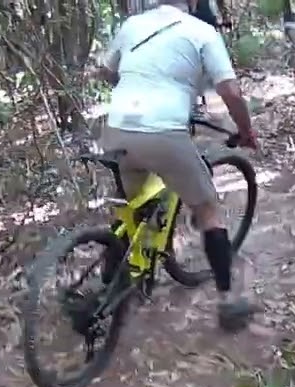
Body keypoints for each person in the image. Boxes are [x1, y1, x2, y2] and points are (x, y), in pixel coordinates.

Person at [99, 0, 258, 332]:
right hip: (163, 132)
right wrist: (245, 130)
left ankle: (113, 281)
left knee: (131, 205)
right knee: (207, 209)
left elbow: (107, 71)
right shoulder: (201, 31)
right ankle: (228, 304)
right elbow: (229, 89)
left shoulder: (132, 25)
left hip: (116, 130)